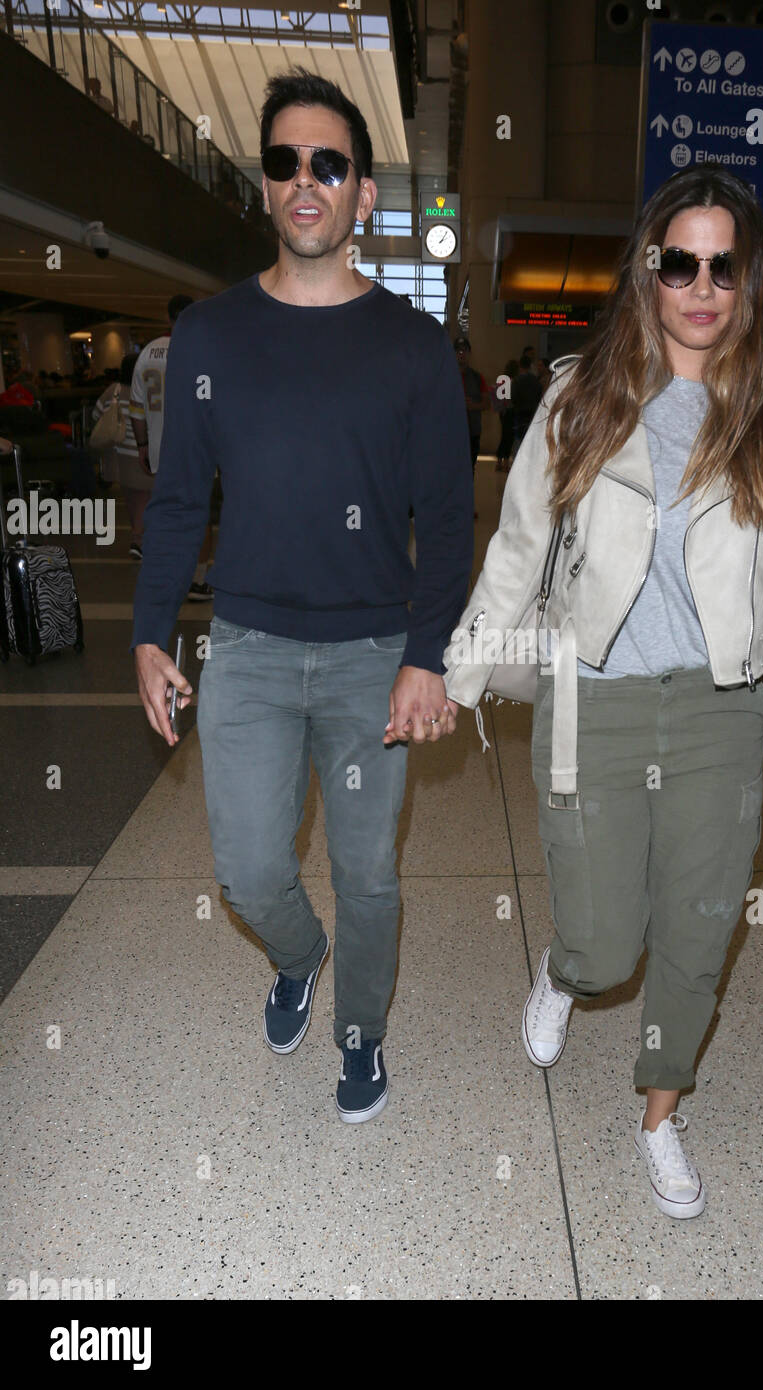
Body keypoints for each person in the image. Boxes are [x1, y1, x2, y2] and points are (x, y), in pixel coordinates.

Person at [442, 163, 763, 1220]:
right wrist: (461, 670)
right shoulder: (582, 397)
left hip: (719, 708)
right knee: (606, 941)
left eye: (724, 264)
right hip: (595, 701)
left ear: (747, 280)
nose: (701, 285)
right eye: (681, 262)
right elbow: (520, 544)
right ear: (647, 271)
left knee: (702, 925)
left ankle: (660, 1116)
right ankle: (565, 969)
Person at [131, 67, 472, 1124]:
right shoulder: (214, 337)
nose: (306, 180)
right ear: (267, 187)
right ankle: (298, 954)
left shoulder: (415, 348)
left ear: (363, 192)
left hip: (376, 654)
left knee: (369, 876)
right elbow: (183, 497)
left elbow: (450, 520)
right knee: (244, 869)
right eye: (285, 162)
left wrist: (429, 656)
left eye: (329, 162)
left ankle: (361, 1037)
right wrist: (149, 633)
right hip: (248, 647)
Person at [129, 295, 214, 601]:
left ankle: (165, 579)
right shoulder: (203, 349)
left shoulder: (148, 353)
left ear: (168, 319)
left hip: (160, 451)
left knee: (166, 516)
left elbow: (136, 407)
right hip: (196, 450)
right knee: (199, 516)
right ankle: (198, 580)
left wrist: (142, 445)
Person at [92, 353, 148, 558]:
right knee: (143, 498)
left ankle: (138, 537)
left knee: (132, 499)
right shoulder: (145, 390)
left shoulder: (113, 390)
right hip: (141, 452)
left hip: (119, 454)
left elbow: (96, 414)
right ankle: (138, 540)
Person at [455, 336, 489, 517]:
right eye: (458, 351)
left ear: (469, 354)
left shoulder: (477, 378)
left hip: (472, 432)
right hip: (450, 434)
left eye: (465, 351)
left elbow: (485, 404)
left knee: (469, 471)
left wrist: (470, 406)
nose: (461, 354)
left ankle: (466, 506)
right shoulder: (445, 375)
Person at [510, 355, 542, 455]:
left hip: (520, 411)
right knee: (530, 437)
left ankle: (517, 460)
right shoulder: (535, 380)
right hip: (532, 412)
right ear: (530, 366)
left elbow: (513, 396)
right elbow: (539, 395)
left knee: (518, 438)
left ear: (520, 365)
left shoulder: (517, 380)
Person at [494, 358, 519, 471]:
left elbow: (498, 397)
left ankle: (499, 462)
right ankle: (505, 463)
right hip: (510, 411)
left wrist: (500, 409)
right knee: (509, 438)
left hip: (503, 411)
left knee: (504, 436)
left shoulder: (502, 380)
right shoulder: (515, 381)